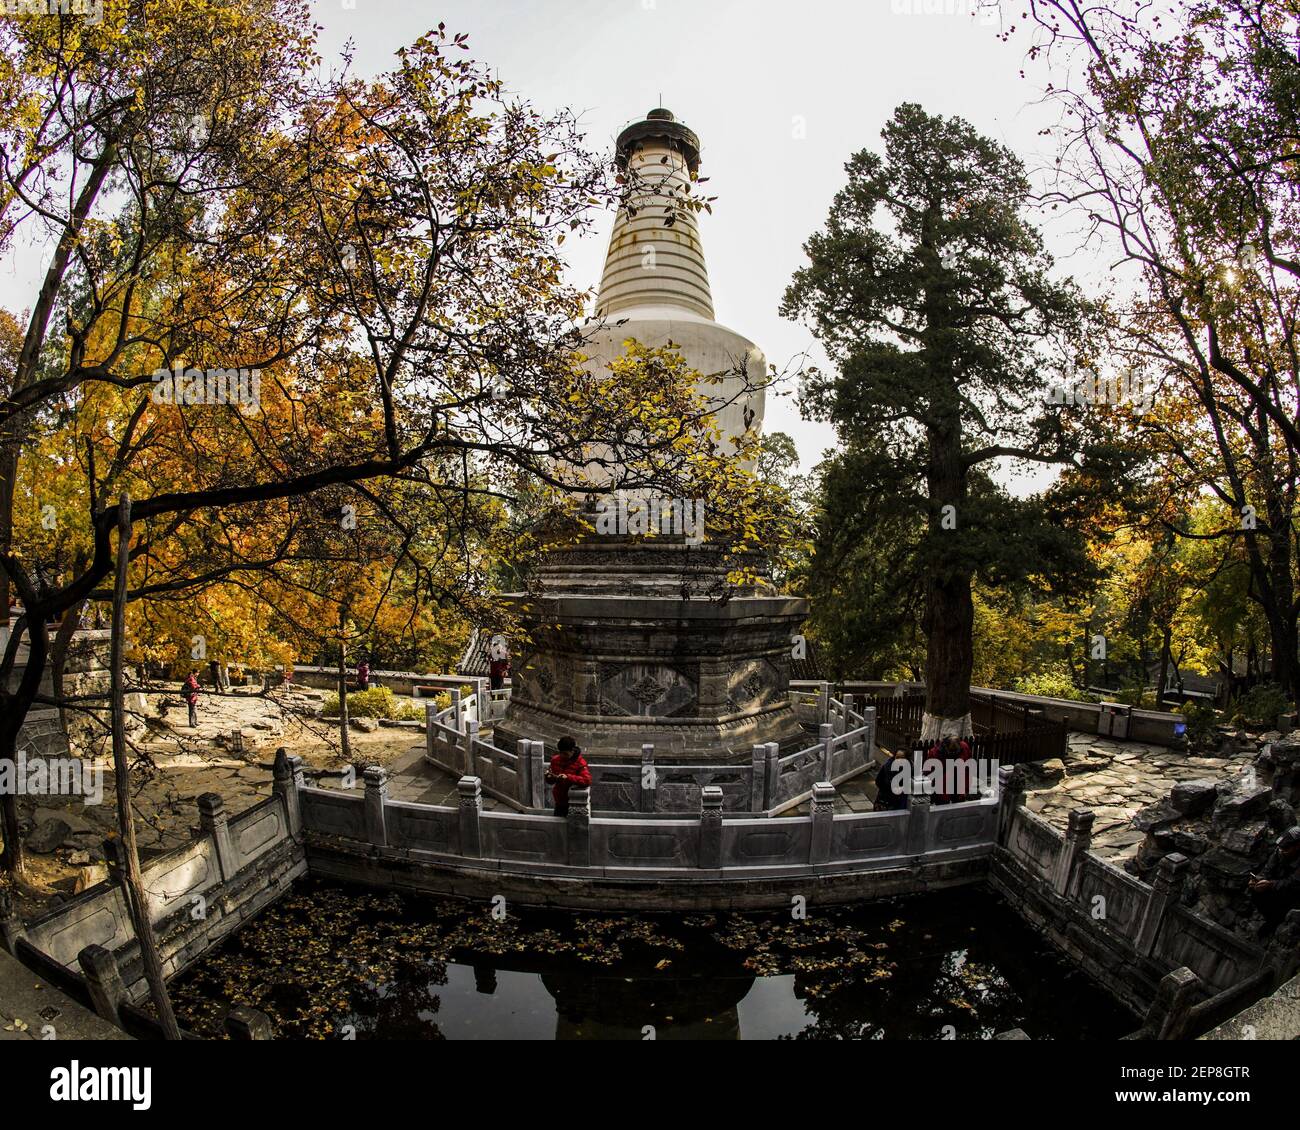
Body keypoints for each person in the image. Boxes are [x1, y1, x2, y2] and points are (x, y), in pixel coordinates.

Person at [1249, 826, 1300, 935]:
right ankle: (1271, 919)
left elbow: (1293, 883)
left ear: (1297, 846)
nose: (1282, 850)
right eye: (1281, 847)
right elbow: (1267, 869)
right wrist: (1258, 879)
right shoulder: (1280, 851)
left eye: (1286, 848)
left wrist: (1271, 885)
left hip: (1295, 893)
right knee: (1256, 891)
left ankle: (1277, 921)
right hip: (1278, 885)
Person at [545, 736, 592, 818]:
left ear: (572, 751)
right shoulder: (555, 760)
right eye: (561, 753)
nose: (562, 756)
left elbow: (587, 780)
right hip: (559, 800)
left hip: (575, 802)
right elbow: (551, 782)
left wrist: (568, 777)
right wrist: (549, 777)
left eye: (565, 754)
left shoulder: (580, 763)